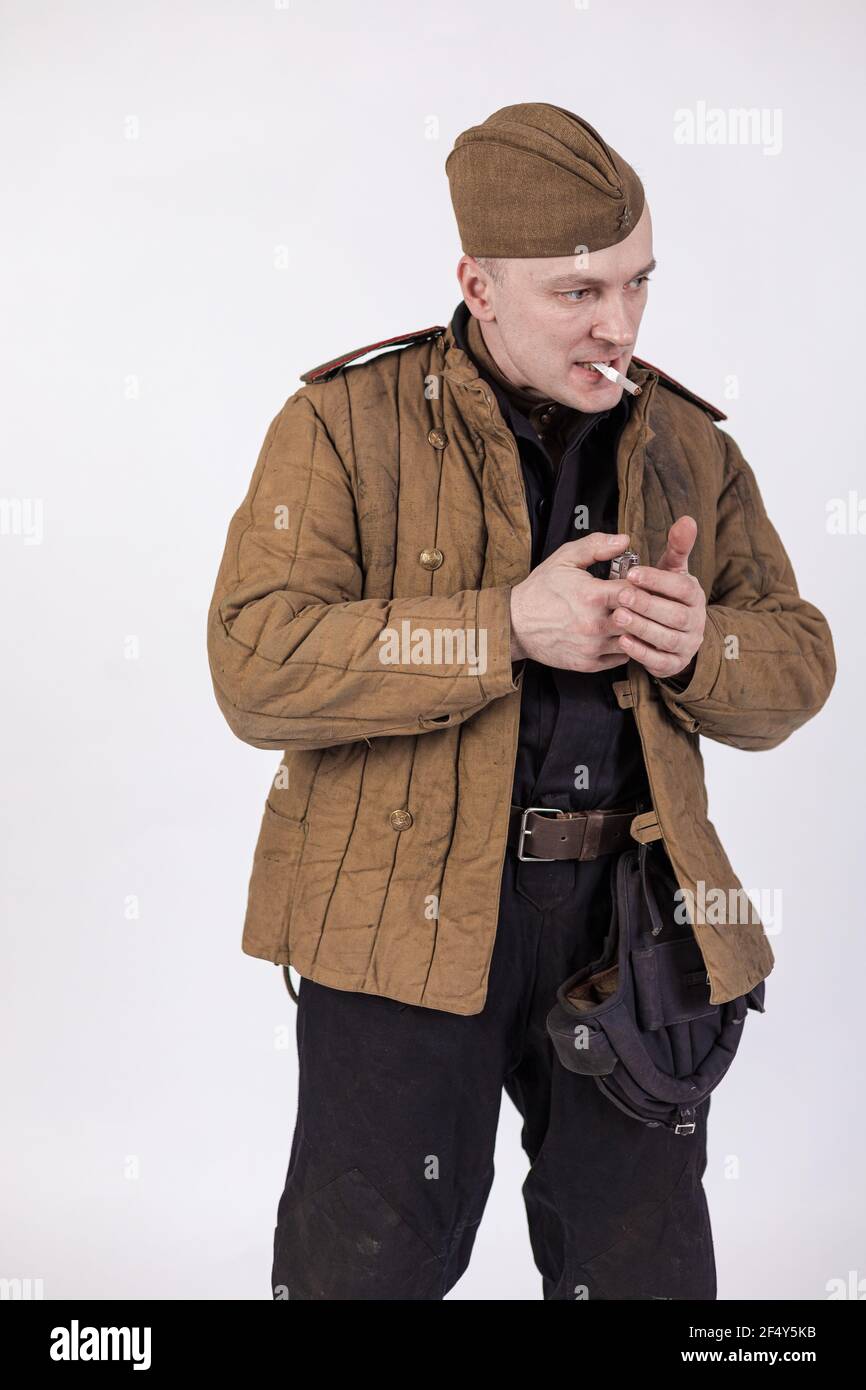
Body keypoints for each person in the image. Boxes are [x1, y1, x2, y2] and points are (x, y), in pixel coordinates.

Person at [206, 103, 836, 1300]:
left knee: (648, 1283)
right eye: (578, 292)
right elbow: (252, 660)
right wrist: (499, 626)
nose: (619, 325)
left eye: (638, 284)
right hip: (395, 923)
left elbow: (797, 660)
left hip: (625, 926)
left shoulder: (687, 443)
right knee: (361, 1277)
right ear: (477, 284)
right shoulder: (341, 424)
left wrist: (705, 649)